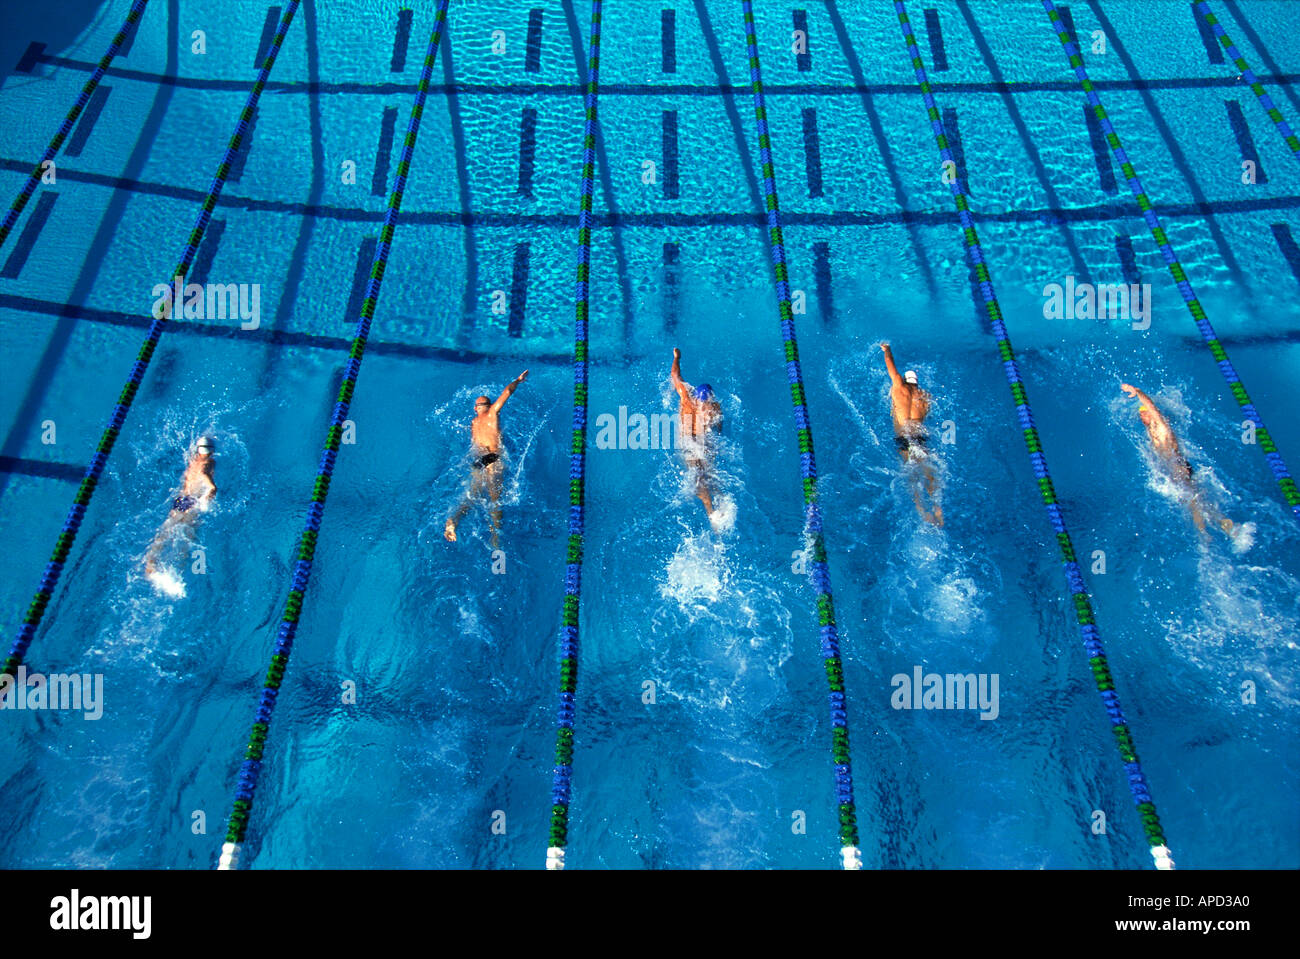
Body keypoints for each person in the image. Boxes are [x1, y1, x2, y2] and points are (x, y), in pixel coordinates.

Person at [1120, 383, 1235, 539]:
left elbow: (1151, 406)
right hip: (1178, 466)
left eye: (1144, 414)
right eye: (1140, 415)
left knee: (1192, 502)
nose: (1141, 417)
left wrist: (1138, 391)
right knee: (1195, 497)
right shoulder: (1151, 430)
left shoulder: (1160, 426)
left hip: (1179, 467)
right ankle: (1222, 521)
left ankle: (1204, 535)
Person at [444, 370, 529, 548]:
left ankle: (455, 519)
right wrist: (518, 380)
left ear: (476, 408)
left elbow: (475, 446)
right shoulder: (492, 415)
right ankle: (496, 538)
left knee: (472, 494)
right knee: (495, 500)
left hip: (478, 460)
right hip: (494, 458)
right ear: (488, 406)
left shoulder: (474, 423)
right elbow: (507, 392)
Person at [881, 343, 943, 526]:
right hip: (920, 437)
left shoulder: (899, 387)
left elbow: (889, 364)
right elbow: (927, 415)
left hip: (903, 437)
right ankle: (938, 509)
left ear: (906, 381)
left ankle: (922, 511)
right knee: (929, 473)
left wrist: (887, 349)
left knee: (911, 475)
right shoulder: (925, 397)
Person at [145, 436, 217, 580]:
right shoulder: (209, 462)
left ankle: (150, 562)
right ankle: (179, 569)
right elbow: (210, 485)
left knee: (167, 528)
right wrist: (207, 498)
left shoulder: (194, 460)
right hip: (192, 501)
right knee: (189, 535)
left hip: (181, 499)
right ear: (212, 450)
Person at [670, 347, 725, 529]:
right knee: (699, 478)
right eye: (705, 405)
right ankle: (711, 513)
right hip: (687, 442)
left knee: (710, 473)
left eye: (709, 405)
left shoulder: (715, 407)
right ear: (699, 401)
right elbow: (675, 376)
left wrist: (716, 432)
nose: (708, 409)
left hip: (702, 441)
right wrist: (677, 358)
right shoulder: (686, 399)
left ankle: (721, 502)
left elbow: (718, 425)